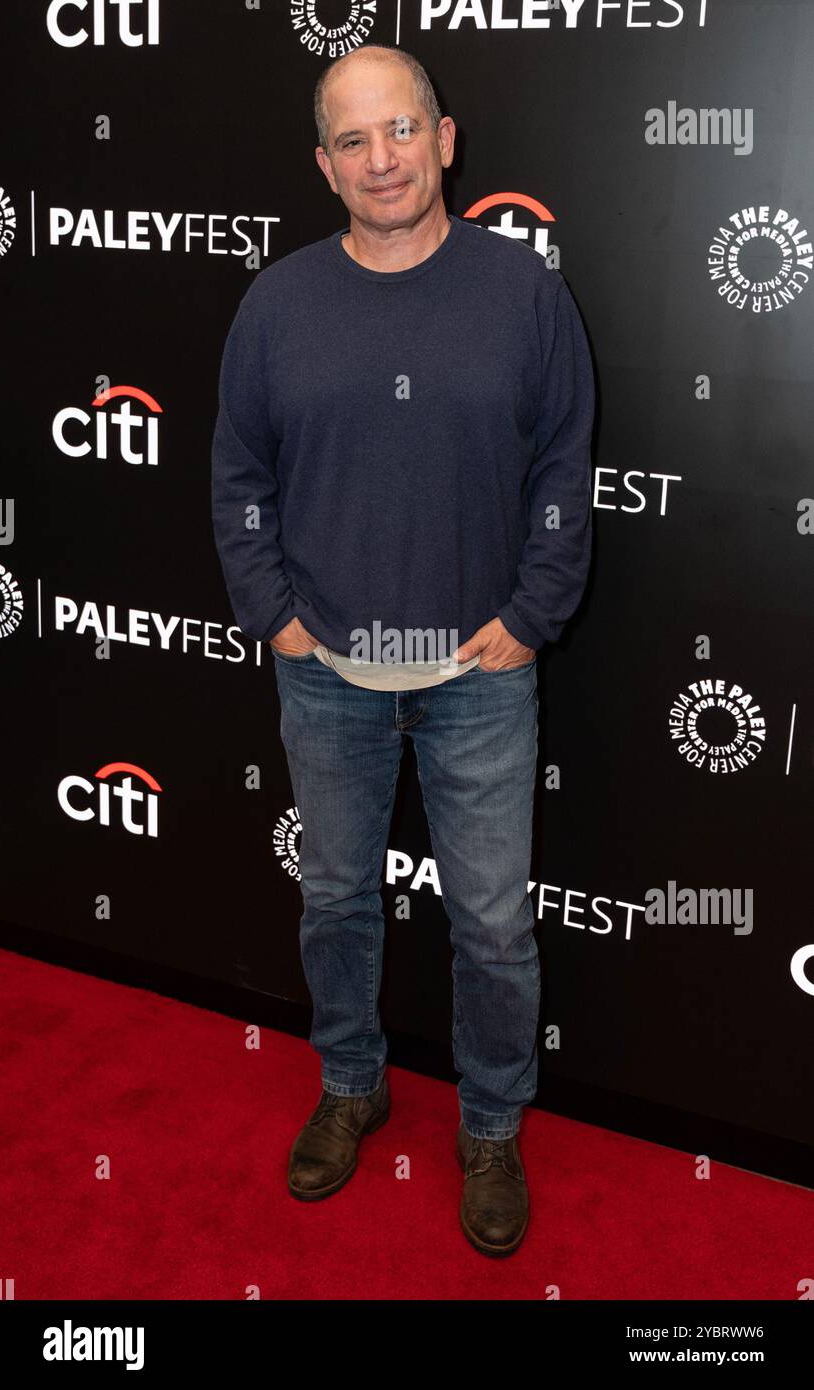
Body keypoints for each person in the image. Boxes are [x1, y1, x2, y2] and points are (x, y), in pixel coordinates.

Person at [211, 42, 595, 1259]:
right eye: (351, 140)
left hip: (480, 675)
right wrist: (273, 613)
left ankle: (489, 1124)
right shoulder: (275, 303)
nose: (381, 159)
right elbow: (237, 477)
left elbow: (562, 471)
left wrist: (531, 615)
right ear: (324, 166)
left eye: (400, 130)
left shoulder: (525, 294)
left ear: (444, 139)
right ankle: (351, 1084)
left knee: (488, 922)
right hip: (323, 672)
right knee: (334, 900)